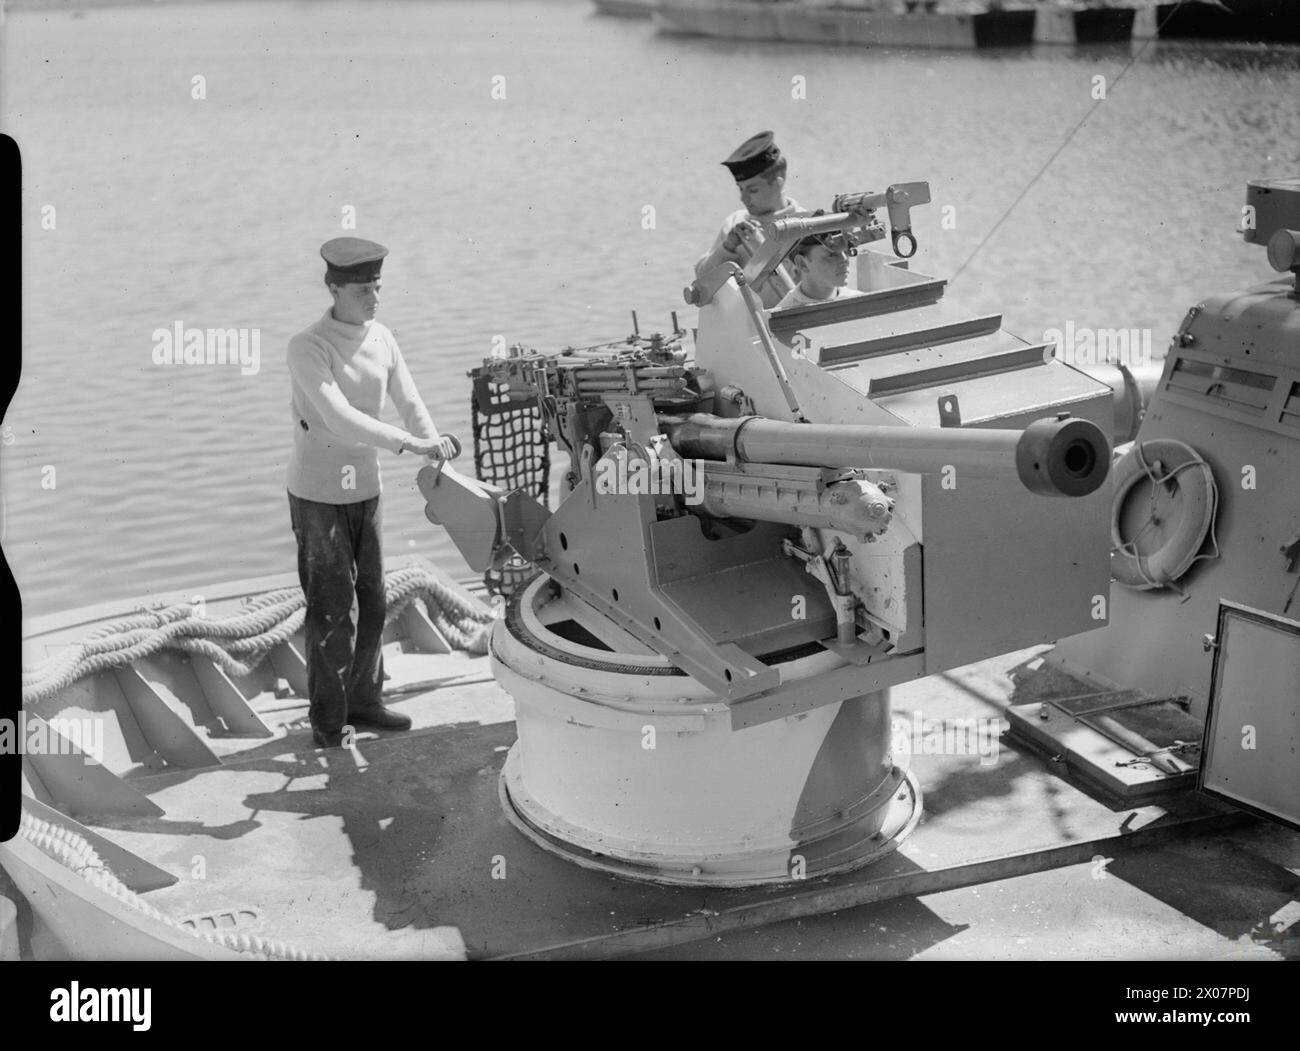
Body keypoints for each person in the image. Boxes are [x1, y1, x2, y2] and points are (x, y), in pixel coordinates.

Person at [286, 237, 456, 749]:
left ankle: (365, 700)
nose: (374, 298)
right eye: (362, 289)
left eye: (377, 287)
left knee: (375, 603)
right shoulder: (308, 347)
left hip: (366, 491)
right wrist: (410, 443)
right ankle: (328, 722)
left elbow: (407, 397)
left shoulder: (382, 337)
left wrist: (435, 448)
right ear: (334, 288)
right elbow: (339, 417)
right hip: (319, 497)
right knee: (333, 611)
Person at [695, 131, 804, 309]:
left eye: (752, 190)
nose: (743, 199)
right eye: (741, 189)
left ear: (779, 181)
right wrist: (726, 249)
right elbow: (701, 287)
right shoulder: (735, 222)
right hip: (745, 330)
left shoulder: (806, 225)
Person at [773, 231, 866, 311]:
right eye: (831, 254)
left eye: (846, 251)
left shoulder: (863, 304)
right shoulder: (782, 320)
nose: (844, 259)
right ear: (802, 263)